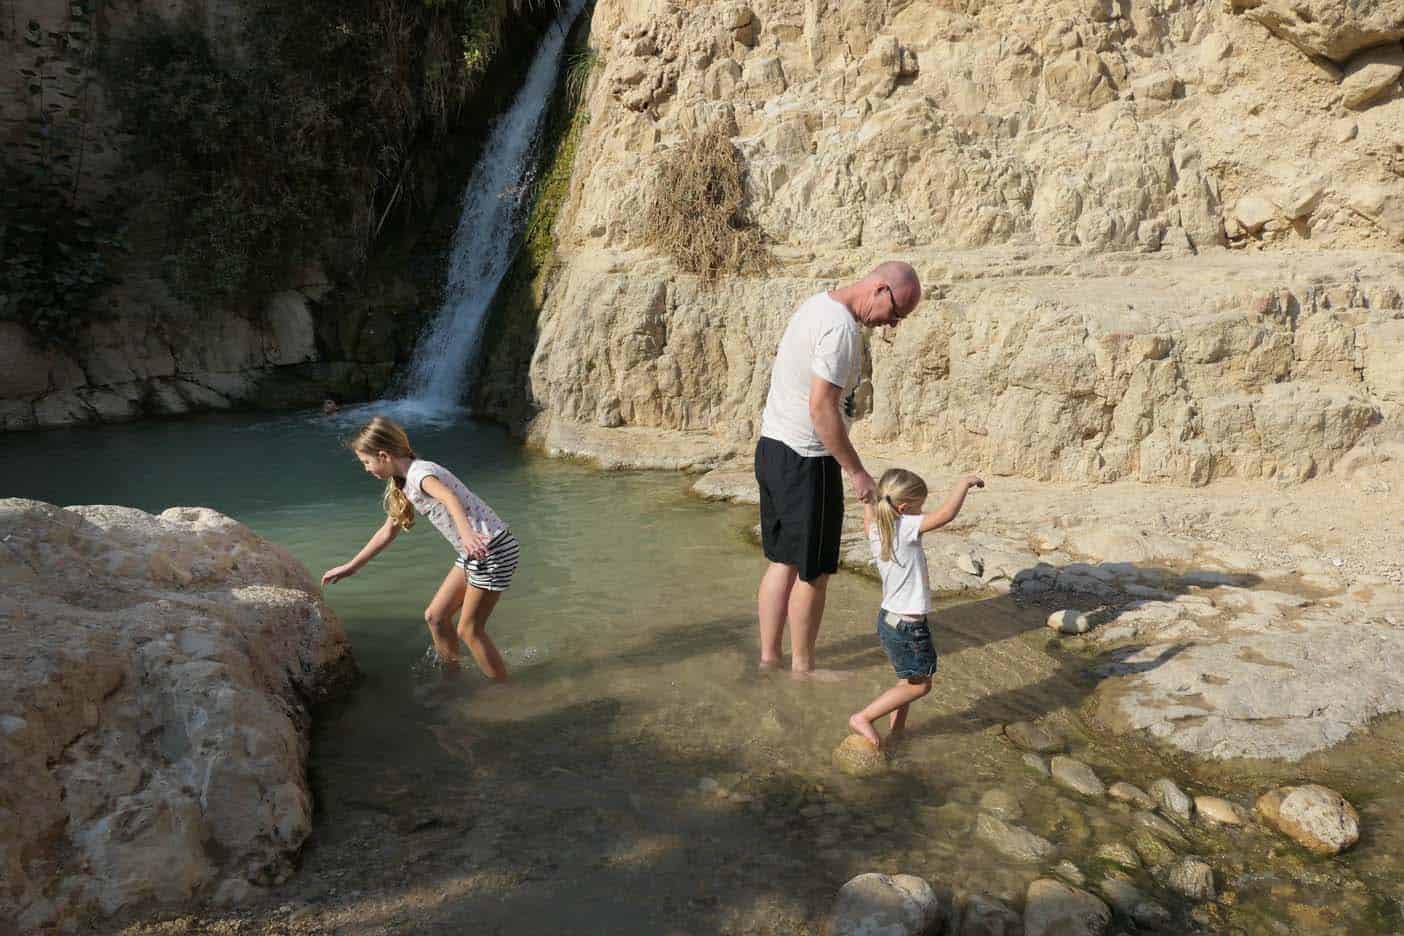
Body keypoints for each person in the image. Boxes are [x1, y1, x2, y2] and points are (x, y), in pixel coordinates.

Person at [755, 261, 922, 676]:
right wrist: (857, 472)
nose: (892, 325)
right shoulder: (842, 331)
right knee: (814, 571)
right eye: (896, 314)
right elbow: (821, 408)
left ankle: (769, 661)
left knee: (782, 562)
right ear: (881, 289)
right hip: (808, 461)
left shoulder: (816, 304)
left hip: (773, 447)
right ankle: (803, 671)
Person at [321, 416, 519, 681]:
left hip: (490, 549)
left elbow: (448, 497)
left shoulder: (419, 474)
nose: (366, 469)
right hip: (475, 551)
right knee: (435, 617)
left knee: (469, 629)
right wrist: (351, 567)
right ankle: (452, 678)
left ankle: (504, 691)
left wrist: (466, 533)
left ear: (383, 455)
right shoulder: (403, 482)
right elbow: (387, 531)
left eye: (366, 462)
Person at [847, 468, 984, 747]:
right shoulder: (905, 526)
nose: (922, 513)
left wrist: (867, 503)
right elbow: (946, 515)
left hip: (888, 621)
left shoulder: (876, 529)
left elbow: (870, 515)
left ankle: (897, 733)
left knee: (907, 682)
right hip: (908, 625)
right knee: (921, 685)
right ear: (904, 508)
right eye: (920, 507)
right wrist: (963, 483)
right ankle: (863, 717)